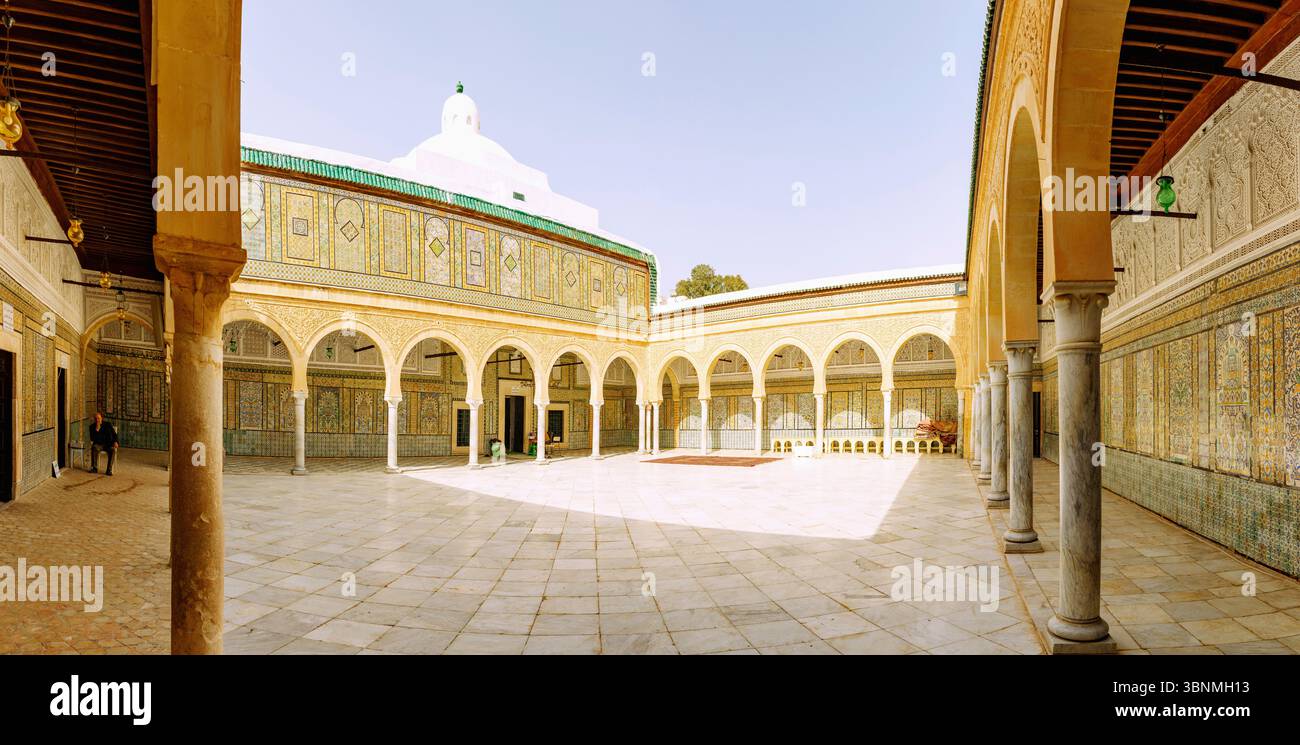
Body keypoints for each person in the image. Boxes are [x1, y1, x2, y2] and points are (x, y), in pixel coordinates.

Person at [88, 411, 119, 476]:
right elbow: (92, 439)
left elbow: (114, 434)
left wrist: (116, 441)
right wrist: (97, 430)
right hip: (99, 444)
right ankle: (94, 468)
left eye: (98, 418)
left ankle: (109, 470)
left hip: (108, 444)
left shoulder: (108, 425)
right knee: (94, 447)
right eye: (96, 418)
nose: (97, 420)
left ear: (102, 418)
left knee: (112, 450)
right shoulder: (92, 427)